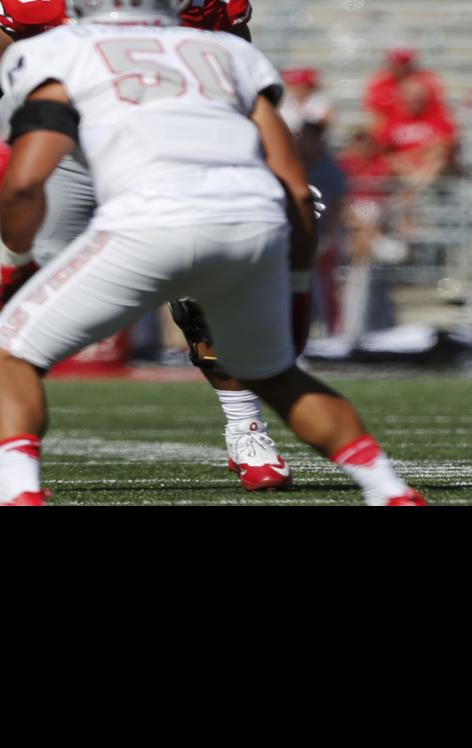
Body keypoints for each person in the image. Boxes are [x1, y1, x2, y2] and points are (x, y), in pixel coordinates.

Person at [0, 0, 423, 506]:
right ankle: (388, 490)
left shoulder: (60, 47)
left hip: (144, 194)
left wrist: (13, 245)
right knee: (276, 370)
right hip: (214, 197)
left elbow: (23, 179)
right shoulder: (221, 50)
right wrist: (298, 282)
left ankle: (17, 487)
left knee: (11, 348)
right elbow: (292, 183)